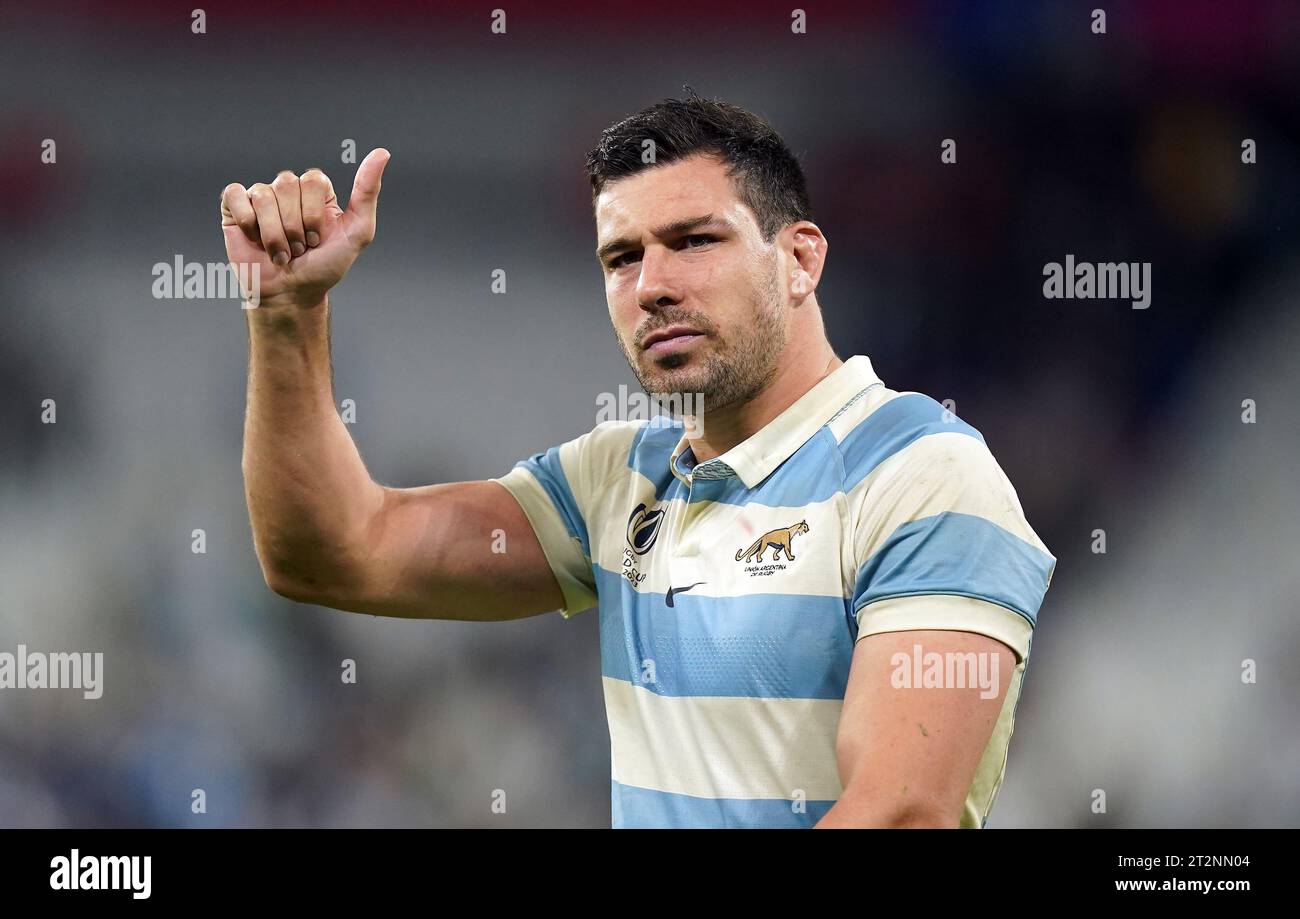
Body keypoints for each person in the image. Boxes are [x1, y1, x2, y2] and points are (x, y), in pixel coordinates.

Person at [220, 91, 1056, 828]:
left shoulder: (923, 474)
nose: (652, 284)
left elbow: (902, 814)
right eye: (622, 257)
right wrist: (287, 313)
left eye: (694, 240)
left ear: (800, 258)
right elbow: (333, 555)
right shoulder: (617, 480)